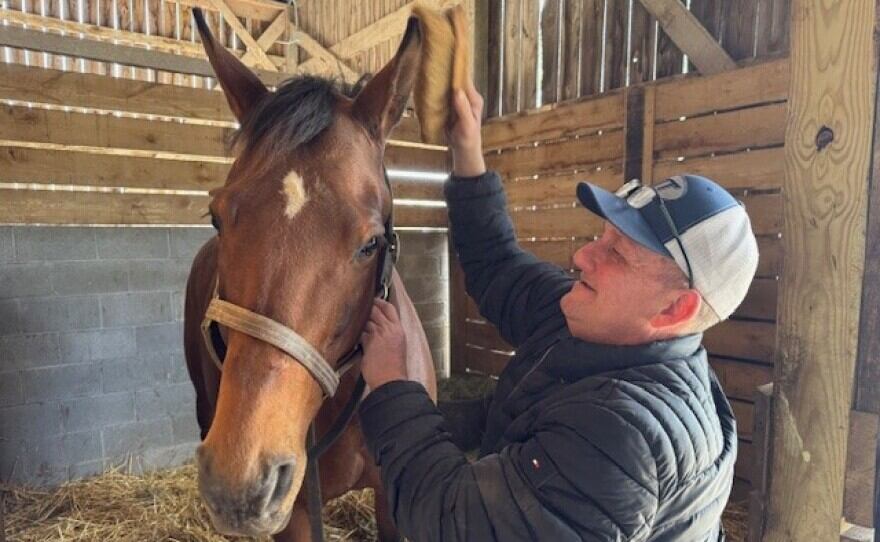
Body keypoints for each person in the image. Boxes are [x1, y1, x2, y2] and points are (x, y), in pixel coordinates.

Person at [356, 81, 758, 541]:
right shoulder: (592, 322)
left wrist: (392, 388)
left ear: (675, 309)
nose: (583, 257)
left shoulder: (622, 436)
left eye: (618, 255)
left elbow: (450, 520)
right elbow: (497, 265)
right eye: (602, 237)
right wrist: (467, 149)